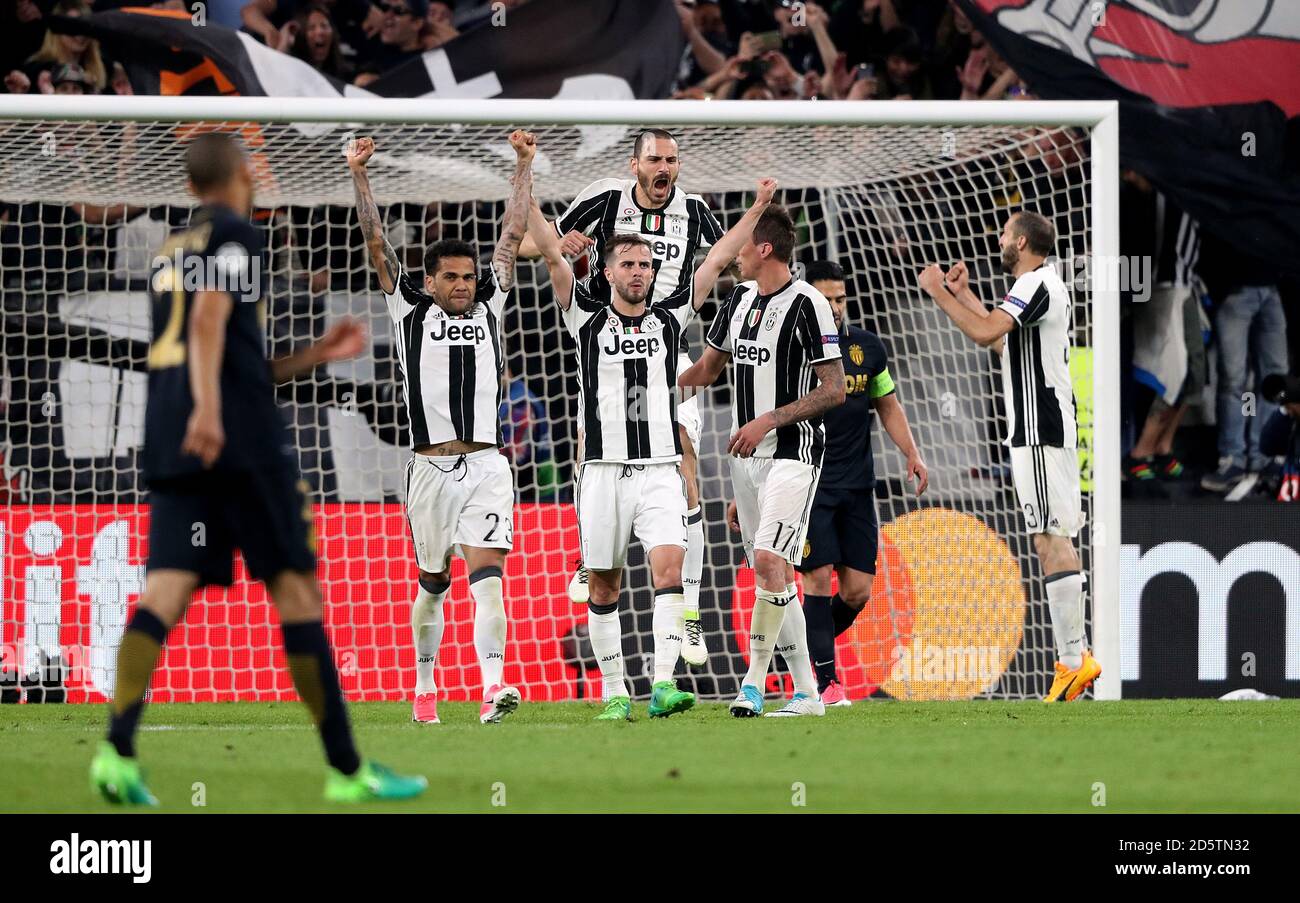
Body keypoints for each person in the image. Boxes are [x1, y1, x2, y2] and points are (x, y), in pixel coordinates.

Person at [90, 132, 426, 805]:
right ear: (244, 174)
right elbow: (212, 324)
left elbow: (219, 353)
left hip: (174, 442)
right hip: (238, 442)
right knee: (297, 594)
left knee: (166, 589)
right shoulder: (239, 236)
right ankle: (346, 768)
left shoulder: (169, 252)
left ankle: (116, 752)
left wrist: (314, 355)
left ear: (189, 187)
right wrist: (213, 414)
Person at [528, 155, 778, 722]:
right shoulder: (583, 318)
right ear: (609, 271)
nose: (640, 271)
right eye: (629, 264)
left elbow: (716, 256)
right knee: (604, 590)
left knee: (668, 573)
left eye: (645, 263)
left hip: (660, 469)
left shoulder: (671, 318)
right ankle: (616, 692)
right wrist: (523, 176)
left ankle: (662, 684)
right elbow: (546, 245)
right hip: (601, 472)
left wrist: (758, 208)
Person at [518, 128, 725, 669]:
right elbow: (528, 243)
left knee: (687, 463)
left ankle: (692, 614)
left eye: (673, 160)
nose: (665, 168)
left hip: (668, 343)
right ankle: (592, 556)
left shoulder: (695, 211)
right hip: (603, 336)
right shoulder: (603, 199)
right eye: (655, 159)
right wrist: (561, 243)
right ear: (634, 165)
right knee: (597, 435)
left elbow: (725, 261)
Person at [348, 130, 534, 725]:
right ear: (430, 281)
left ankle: (492, 689)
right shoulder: (407, 306)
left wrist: (523, 165)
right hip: (428, 467)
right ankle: (425, 688)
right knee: (434, 581)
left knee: (488, 577)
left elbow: (511, 233)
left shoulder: (490, 304)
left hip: (486, 464)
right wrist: (359, 174)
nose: (463, 285)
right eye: (451, 277)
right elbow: (377, 243)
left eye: (468, 277)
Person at [917, 211, 1100, 703]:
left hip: (1039, 428)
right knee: (1050, 536)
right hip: (1041, 429)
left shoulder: (1037, 282)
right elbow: (1000, 340)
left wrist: (937, 291)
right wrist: (961, 296)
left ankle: (1072, 661)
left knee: (1049, 539)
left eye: (1003, 235)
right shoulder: (1037, 287)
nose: (998, 241)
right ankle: (1075, 660)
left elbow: (983, 333)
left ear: (1020, 242)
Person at [680, 205, 846, 718]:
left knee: (773, 562)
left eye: (741, 247)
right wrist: (648, 382)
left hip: (793, 453)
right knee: (773, 578)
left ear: (765, 249)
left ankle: (752, 682)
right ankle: (807, 694)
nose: (733, 256)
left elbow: (835, 389)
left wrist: (769, 420)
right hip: (745, 463)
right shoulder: (736, 301)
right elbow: (708, 369)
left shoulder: (809, 304)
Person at [795, 261, 928, 706]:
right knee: (815, 580)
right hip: (809, 483)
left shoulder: (868, 347)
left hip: (858, 486)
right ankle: (827, 680)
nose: (834, 307)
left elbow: (886, 404)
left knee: (856, 592)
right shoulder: (794, 348)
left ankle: (799, 647)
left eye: (840, 299)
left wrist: (911, 451)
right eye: (826, 299)